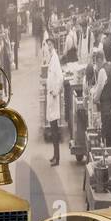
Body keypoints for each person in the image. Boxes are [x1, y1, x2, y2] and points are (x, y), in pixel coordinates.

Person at [90, 44, 111, 148]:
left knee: (105, 140)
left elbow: (98, 92)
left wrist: (93, 99)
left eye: (96, 63)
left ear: (99, 60)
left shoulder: (102, 71)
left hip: (106, 111)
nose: (96, 66)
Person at [44, 37, 64, 165]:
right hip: (51, 97)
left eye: (50, 45)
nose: (48, 47)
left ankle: (57, 158)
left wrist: (55, 91)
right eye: (47, 45)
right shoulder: (52, 58)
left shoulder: (55, 59)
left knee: (55, 130)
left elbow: (60, 77)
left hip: (53, 97)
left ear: (54, 46)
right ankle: (55, 154)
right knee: (53, 128)